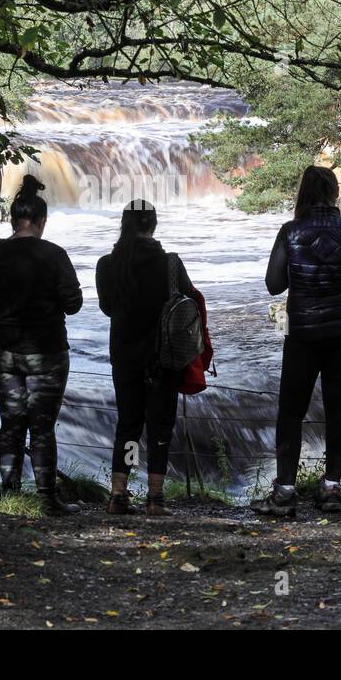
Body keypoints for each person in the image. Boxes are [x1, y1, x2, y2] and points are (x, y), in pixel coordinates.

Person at [251, 165, 341, 517]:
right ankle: (331, 487)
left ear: (302, 194)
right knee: (338, 407)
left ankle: (285, 493)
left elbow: (273, 284)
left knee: (291, 410)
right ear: (335, 193)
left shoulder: (290, 232)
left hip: (304, 333)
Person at [0, 174, 82, 516]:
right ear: (42, 222)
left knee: (11, 423)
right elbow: (73, 304)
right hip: (47, 353)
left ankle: (9, 496)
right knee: (42, 427)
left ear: (13, 220)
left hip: (2, 352)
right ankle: (47, 499)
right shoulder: (55, 255)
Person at [96, 200, 195, 516]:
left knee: (128, 426)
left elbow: (107, 308)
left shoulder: (107, 265)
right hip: (163, 357)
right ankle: (155, 500)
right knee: (160, 427)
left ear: (124, 225)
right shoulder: (170, 264)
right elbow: (188, 302)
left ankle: (119, 496)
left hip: (124, 356)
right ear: (153, 224)